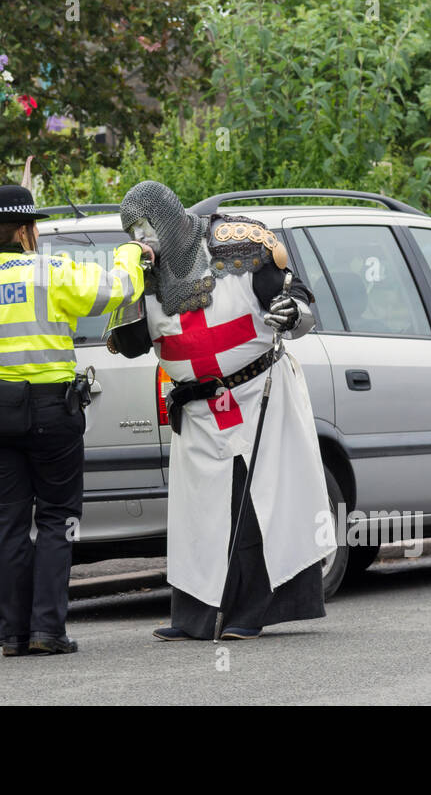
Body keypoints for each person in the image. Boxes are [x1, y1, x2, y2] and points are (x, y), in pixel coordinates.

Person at [108, 181, 334, 641]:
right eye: (132, 231)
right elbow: (130, 345)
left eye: (146, 227)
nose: (141, 238)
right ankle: (194, 617)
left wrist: (291, 313)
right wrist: (128, 288)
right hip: (198, 407)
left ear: (169, 219)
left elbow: (300, 301)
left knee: (254, 502)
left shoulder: (241, 244)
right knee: (198, 514)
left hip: (256, 395)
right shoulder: (144, 271)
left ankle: (252, 613)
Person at [0, 185, 148, 656]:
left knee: (9, 517)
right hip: (52, 412)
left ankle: (13, 635)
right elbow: (115, 291)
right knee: (57, 518)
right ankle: (47, 631)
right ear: (26, 230)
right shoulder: (51, 271)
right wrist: (131, 254)